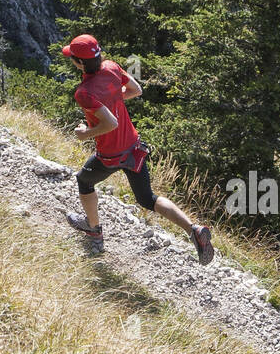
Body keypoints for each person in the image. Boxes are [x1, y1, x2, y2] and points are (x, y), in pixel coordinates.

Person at [62, 33, 213, 263]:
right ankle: (193, 229)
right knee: (147, 198)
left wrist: (85, 134)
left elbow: (110, 123)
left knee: (84, 180)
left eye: (72, 57)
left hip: (110, 155)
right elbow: (136, 90)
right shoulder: (111, 67)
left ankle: (94, 230)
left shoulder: (84, 92)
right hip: (133, 148)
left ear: (80, 63)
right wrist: (113, 100)